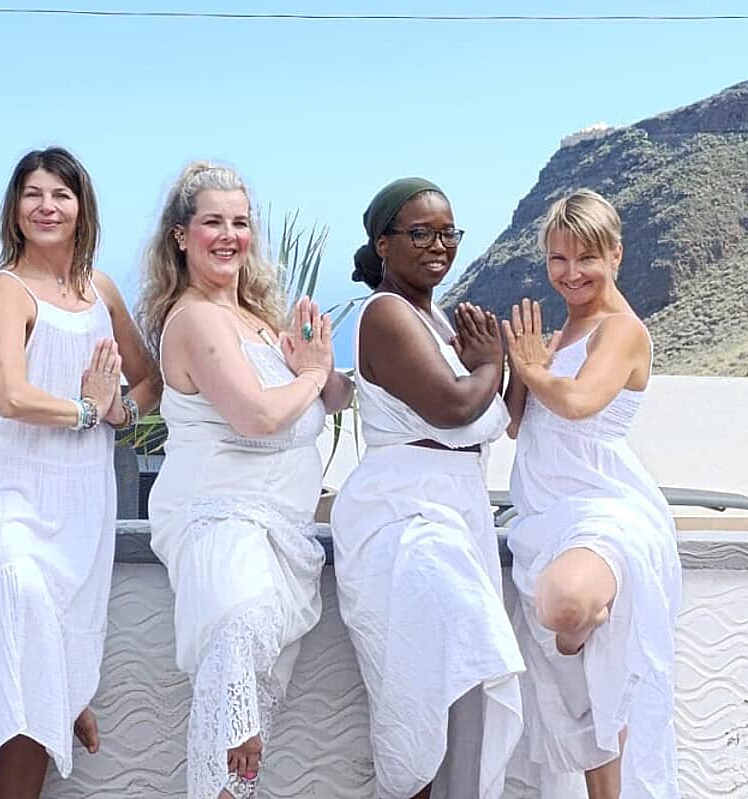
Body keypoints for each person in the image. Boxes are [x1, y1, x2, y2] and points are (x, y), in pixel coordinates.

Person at [139, 161, 354, 799]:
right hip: (223, 522)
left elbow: (330, 397)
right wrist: (310, 378)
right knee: (239, 637)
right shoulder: (196, 319)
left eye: (240, 221)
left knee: (254, 710)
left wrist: (317, 368)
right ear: (181, 236)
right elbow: (258, 417)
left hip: (280, 531)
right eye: (213, 222)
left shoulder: (258, 321)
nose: (229, 235)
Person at [0, 146, 160, 799]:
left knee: (42, 651)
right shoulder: (4, 290)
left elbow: (148, 381)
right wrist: (83, 409)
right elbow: (9, 394)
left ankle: (67, 696)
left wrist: (117, 413)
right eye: (33, 194)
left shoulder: (100, 290)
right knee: (21, 596)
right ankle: (65, 699)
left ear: (81, 207)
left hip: (81, 499)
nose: (47, 206)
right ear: (15, 210)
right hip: (9, 490)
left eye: (61, 194)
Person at [331, 178, 524, 798]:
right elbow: (452, 407)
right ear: (383, 244)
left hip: (451, 507)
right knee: (419, 689)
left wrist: (510, 365)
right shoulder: (386, 312)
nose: (438, 245)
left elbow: (491, 415)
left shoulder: (435, 315)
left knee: (449, 690)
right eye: (421, 232)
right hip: (407, 518)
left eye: (447, 232)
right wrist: (490, 367)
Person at [503, 189, 681, 799]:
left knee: (565, 609)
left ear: (616, 255)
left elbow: (577, 404)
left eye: (586, 258)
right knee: (585, 689)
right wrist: (507, 370)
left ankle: (585, 630)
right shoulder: (561, 333)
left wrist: (534, 371)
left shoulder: (621, 330)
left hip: (603, 509)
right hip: (542, 513)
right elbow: (519, 424)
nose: (571, 273)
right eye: (558, 259)